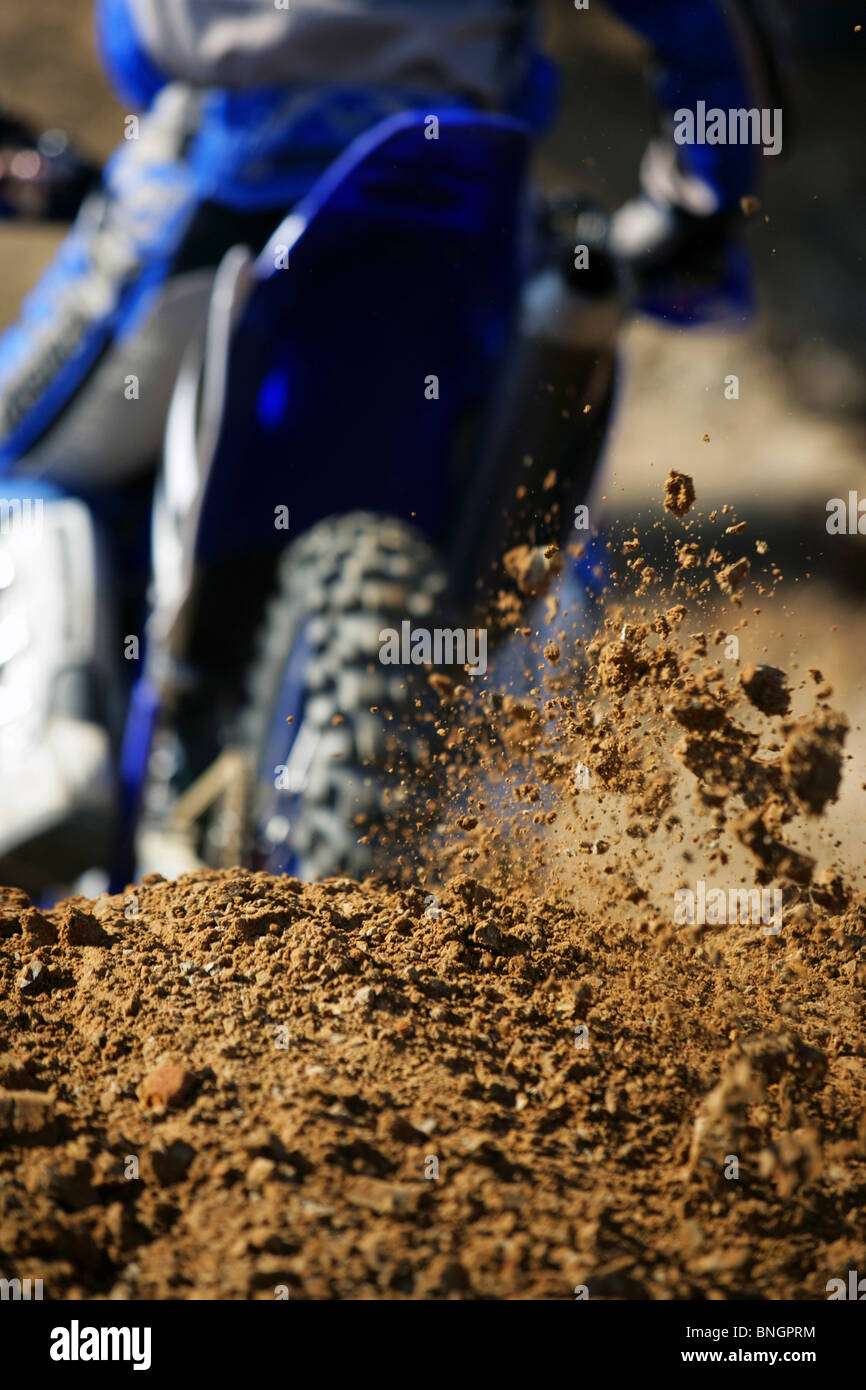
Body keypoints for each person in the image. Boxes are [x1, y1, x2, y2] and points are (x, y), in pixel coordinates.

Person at [0, 0, 784, 891]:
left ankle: (46, 760)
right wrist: (702, 199)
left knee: (17, 463)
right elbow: (710, 29)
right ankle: (517, 822)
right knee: (545, 536)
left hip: (215, 185)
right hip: (469, 203)